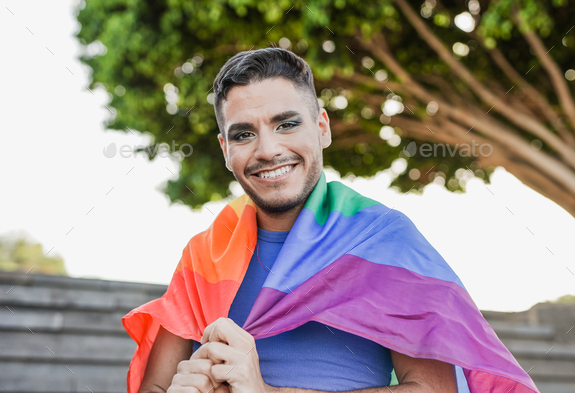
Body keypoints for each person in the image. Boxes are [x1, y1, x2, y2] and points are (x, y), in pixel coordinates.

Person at [122, 47, 539, 393]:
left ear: (322, 127)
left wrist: (267, 392)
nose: (267, 150)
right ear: (225, 150)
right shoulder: (203, 255)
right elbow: (155, 387)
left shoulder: (382, 240)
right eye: (243, 134)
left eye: (286, 124)